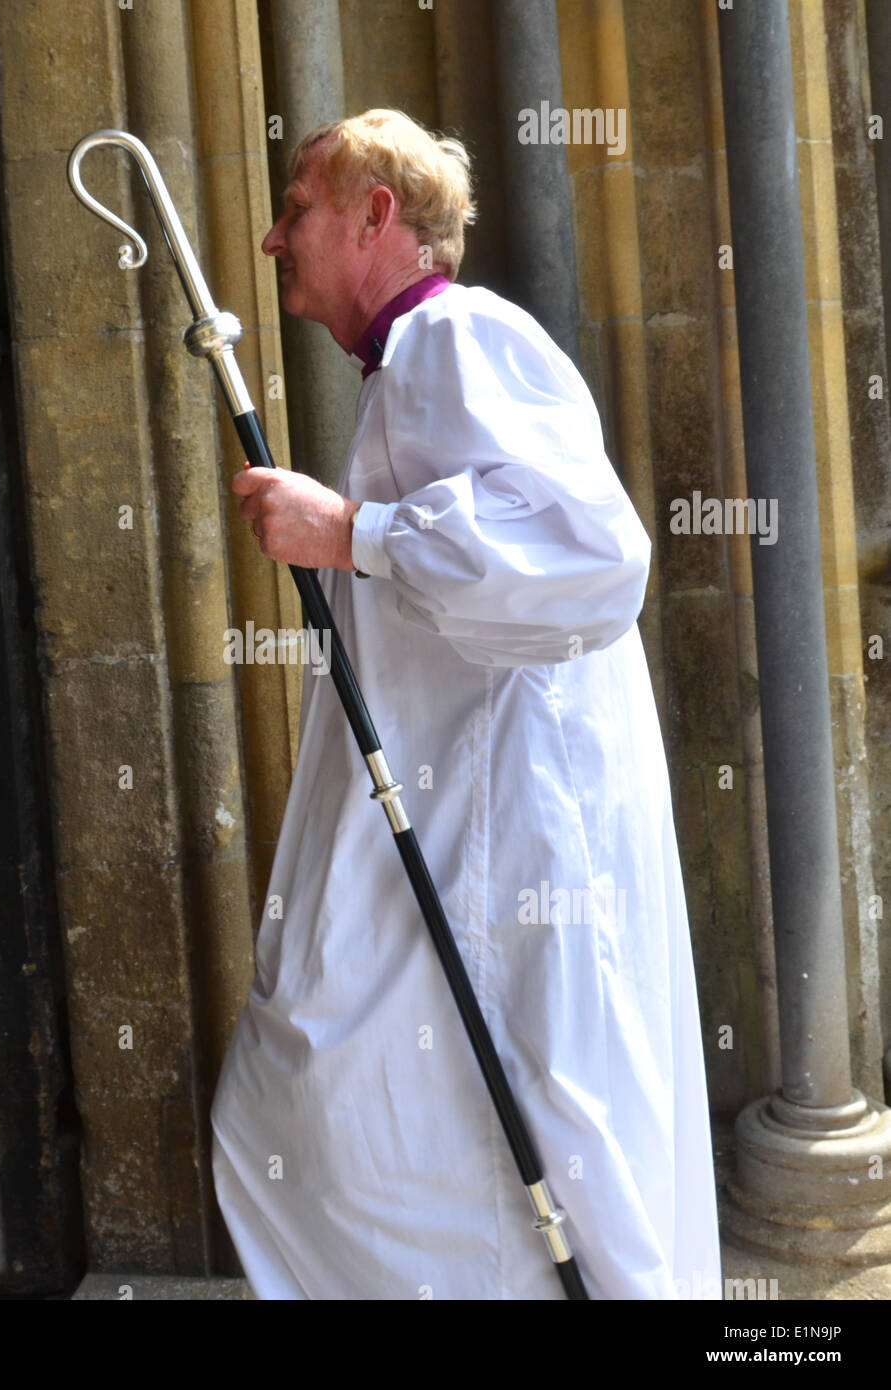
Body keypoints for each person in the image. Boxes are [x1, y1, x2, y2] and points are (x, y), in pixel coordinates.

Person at [209, 108, 721, 1299]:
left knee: (494, 1105)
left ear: (375, 216)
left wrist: (352, 532)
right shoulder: (414, 361)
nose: (275, 239)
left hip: (509, 826)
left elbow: (596, 554)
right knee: (375, 1100)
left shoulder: (454, 336)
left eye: (298, 212)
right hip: (466, 809)